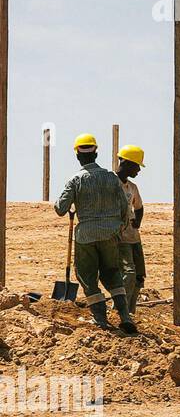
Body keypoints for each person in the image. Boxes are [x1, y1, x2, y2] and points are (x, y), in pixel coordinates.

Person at [54, 133, 136, 334]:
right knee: (113, 275)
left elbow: (60, 208)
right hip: (110, 235)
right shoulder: (111, 177)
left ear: (77, 156)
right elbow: (125, 207)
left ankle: (100, 319)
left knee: (87, 277)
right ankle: (125, 316)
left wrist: (73, 202)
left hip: (86, 236)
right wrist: (119, 227)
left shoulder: (76, 180)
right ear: (96, 153)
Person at [115, 145, 146, 314]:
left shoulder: (132, 187)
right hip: (120, 239)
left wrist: (137, 222)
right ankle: (120, 311)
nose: (138, 170)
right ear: (127, 163)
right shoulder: (111, 183)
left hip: (134, 238)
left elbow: (139, 207)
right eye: (137, 166)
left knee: (139, 277)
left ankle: (130, 311)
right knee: (129, 273)